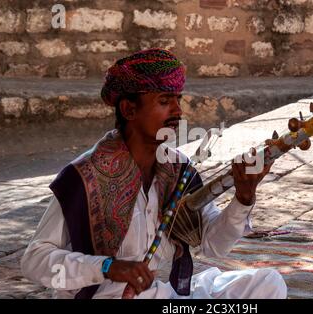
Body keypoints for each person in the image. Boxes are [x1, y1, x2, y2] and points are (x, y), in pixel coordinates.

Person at [20, 48, 287, 299]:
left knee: (267, 284)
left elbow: (215, 245)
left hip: (164, 295)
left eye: (177, 99)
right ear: (129, 109)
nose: (177, 111)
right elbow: (35, 261)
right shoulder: (84, 176)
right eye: (164, 100)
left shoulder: (178, 169)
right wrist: (106, 267)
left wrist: (243, 197)